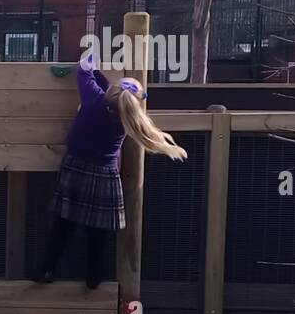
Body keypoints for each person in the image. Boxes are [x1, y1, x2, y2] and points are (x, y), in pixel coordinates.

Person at [36, 52, 188, 288]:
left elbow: (83, 72)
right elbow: (111, 93)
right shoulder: (126, 116)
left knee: (62, 226)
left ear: (113, 92)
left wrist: (90, 61)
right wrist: (100, 75)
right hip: (104, 174)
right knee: (97, 232)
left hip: (75, 167)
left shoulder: (94, 99)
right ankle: (94, 278)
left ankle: (46, 270)